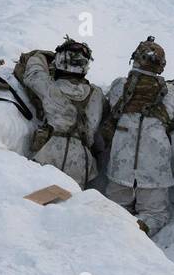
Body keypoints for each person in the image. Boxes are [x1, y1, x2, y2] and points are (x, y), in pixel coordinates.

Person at [100, 36, 174, 236]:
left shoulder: (120, 87)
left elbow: (110, 104)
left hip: (120, 168)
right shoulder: (171, 94)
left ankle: (114, 235)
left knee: (114, 210)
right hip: (154, 170)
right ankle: (139, 233)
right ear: (161, 65)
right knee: (155, 214)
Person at [15, 37, 107, 186]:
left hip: (49, 155)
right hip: (81, 163)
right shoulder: (97, 94)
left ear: (59, 61)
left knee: (37, 196)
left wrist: (40, 56)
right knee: (73, 199)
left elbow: (33, 74)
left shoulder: (50, 87)